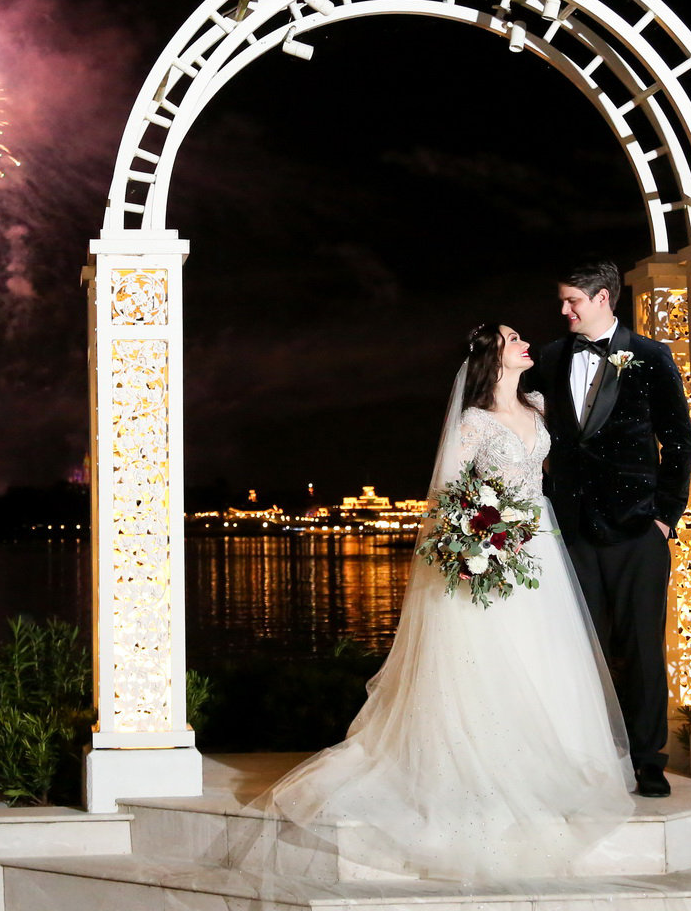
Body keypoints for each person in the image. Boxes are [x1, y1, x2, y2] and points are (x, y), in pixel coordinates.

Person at [249, 324, 633, 883]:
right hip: (494, 551)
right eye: (513, 338)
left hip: (540, 548)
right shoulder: (473, 423)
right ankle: (487, 767)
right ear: (492, 356)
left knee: (546, 654)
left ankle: (557, 758)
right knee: (492, 661)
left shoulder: (539, 407)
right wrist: (481, 541)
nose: (525, 342)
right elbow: (446, 499)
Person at [525, 260, 691, 798]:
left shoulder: (650, 356)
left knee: (643, 650)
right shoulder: (550, 357)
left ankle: (649, 761)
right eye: (562, 300)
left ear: (603, 298)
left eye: (572, 300)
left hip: (637, 529)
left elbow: (680, 441)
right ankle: (587, 759)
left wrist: (664, 516)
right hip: (570, 530)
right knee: (577, 651)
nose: (563, 310)